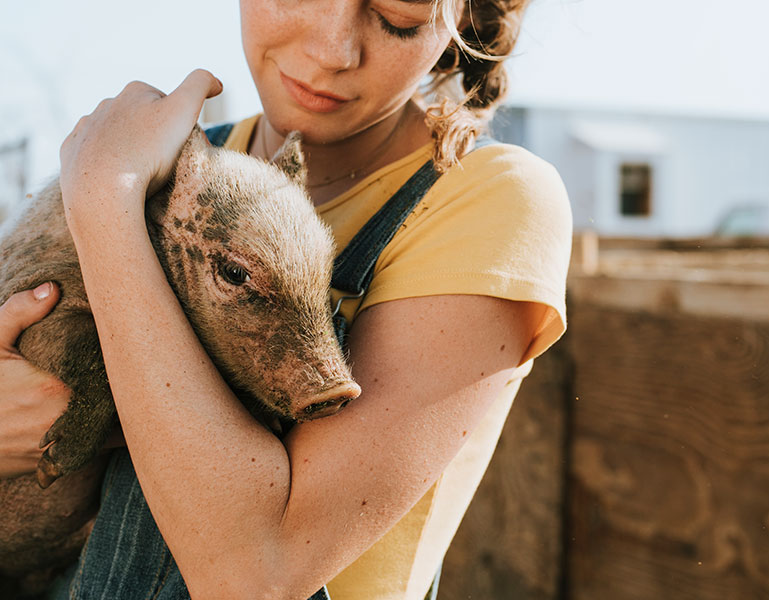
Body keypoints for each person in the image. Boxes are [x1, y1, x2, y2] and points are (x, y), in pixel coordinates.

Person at [0, 0, 571, 598]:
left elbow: (253, 575)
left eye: (397, 16)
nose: (332, 52)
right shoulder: (171, 164)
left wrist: (104, 201)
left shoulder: (490, 198)